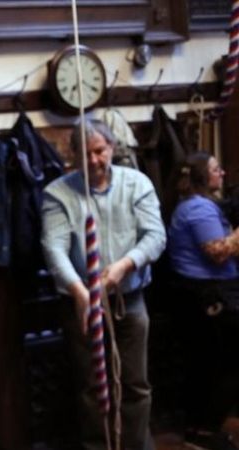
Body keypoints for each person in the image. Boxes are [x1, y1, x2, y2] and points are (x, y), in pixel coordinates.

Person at [40, 118, 165, 450]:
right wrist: (80, 291)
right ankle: (99, 445)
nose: (93, 160)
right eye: (85, 153)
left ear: (111, 147)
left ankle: (134, 445)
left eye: (99, 150)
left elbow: (155, 236)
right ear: (72, 154)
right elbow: (54, 248)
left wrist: (124, 265)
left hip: (129, 298)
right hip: (80, 302)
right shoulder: (57, 193)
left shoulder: (136, 184)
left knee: (135, 383)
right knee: (91, 384)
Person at [167, 152, 239, 449]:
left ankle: (200, 430)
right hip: (210, 294)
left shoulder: (193, 205)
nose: (222, 173)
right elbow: (218, 251)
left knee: (208, 365)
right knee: (226, 365)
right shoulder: (198, 208)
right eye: (215, 169)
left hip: (203, 294)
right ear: (200, 176)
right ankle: (205, 432)